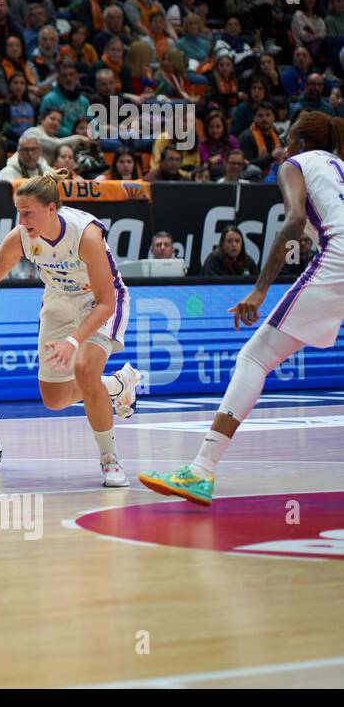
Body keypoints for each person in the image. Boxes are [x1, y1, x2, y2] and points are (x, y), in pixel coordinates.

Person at [141, 113, 344, 505]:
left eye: (285, 138)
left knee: (254, 357)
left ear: (299, 141)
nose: (281, 147)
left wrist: (259, 290)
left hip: (337, 260)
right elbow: (302, 231)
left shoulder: (295, 164)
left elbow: (295, 219)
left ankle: (200, 470)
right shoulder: (338, 166)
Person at [0, 171, 143, 488]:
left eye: (27, 212)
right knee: (54, 398)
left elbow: (107, 302)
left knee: (84, 369)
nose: (21, 220)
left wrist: (73, 341)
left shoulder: (85, 234)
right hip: (58, 301)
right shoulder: (23, 235)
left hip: (99, 302)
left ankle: (110, 460)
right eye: (18, 212)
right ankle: (120, 384)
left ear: (52, 208)